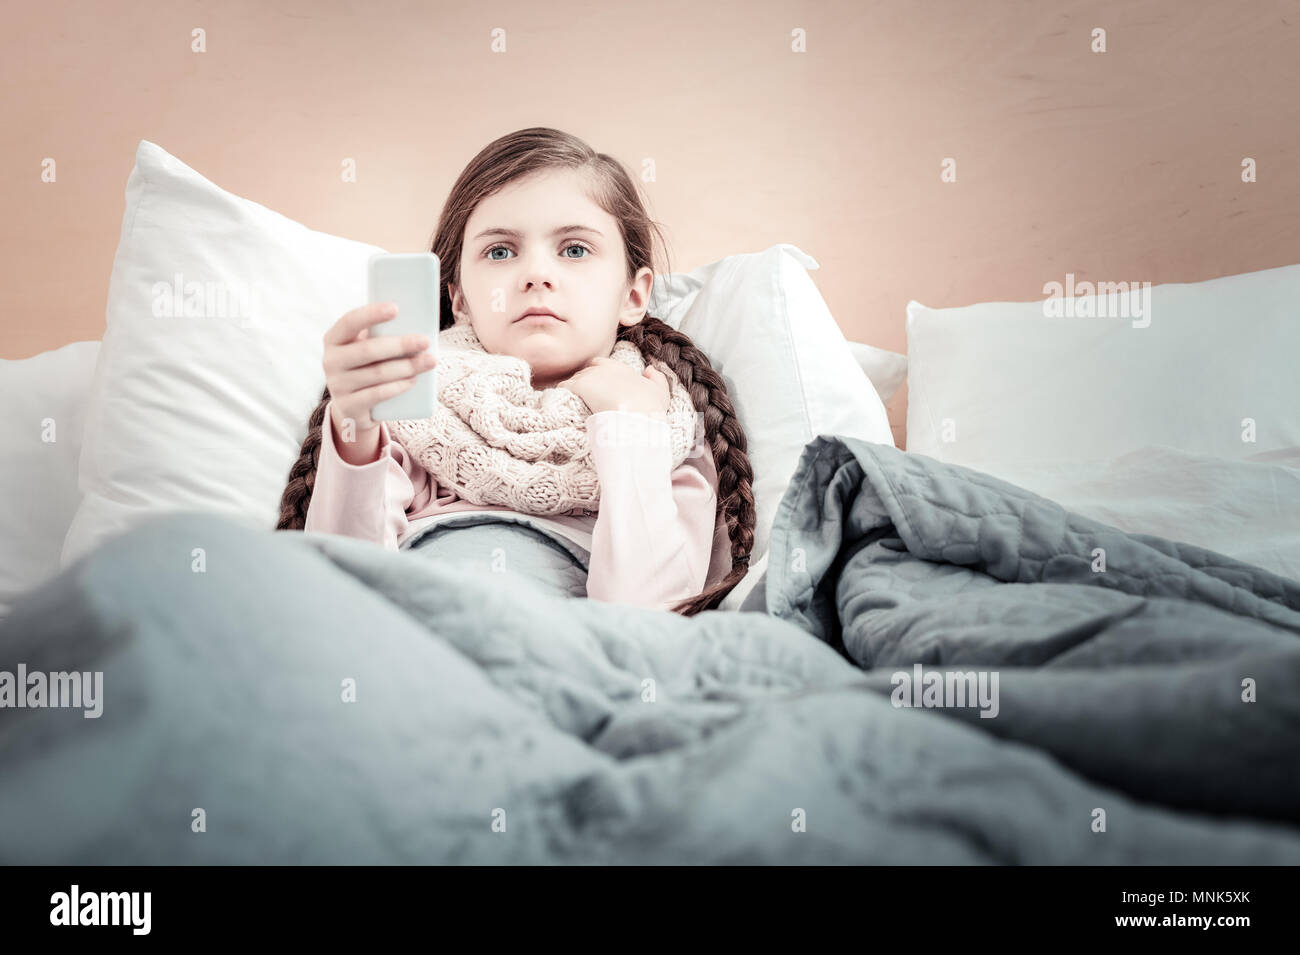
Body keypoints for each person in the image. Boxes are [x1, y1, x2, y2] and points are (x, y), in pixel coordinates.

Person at [276, 127, 754, 615]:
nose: (535, 275)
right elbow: (340, 604)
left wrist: (631, 425)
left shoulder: (666, 429)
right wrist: (355, 427)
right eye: (500, 252)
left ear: (633, 295)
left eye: (574, 250)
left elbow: (647, 627)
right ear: (459, 299)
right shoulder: (412, 411)